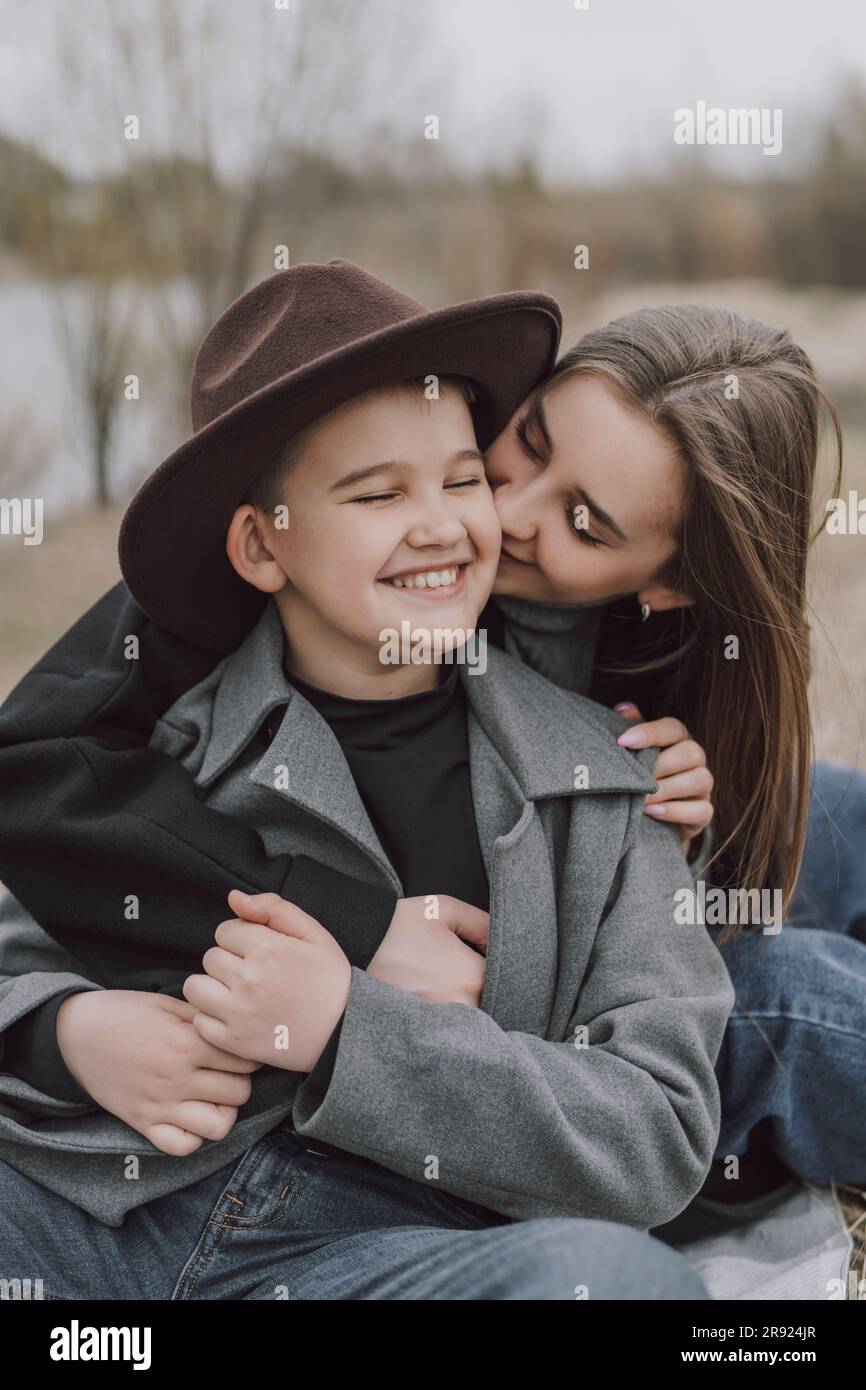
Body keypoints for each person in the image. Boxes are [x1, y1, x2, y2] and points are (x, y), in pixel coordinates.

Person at [0, 260, 728, 1300]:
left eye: (461, 476)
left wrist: (349, 1026)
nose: (439, 521)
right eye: (376, 492)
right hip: (91, 1216)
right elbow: (29, 933)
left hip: (380, 1249)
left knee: (615, 1285)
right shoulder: (159, 737)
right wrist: (63, 1034)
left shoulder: (605, 788)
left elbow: (656, 1134)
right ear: (261, 545)